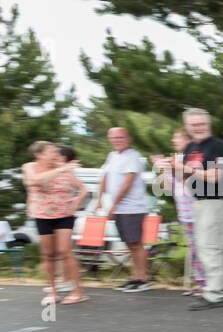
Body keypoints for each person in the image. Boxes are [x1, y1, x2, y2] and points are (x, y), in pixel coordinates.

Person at [180, 108, 223, 310]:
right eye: (194, 124)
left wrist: (187, 170)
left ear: (208, 124)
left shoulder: (217, 146)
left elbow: (216, 176)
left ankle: (215, 293)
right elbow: (184, 178)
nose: (199, 128)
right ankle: (216, 288)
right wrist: (169, 168)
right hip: (199, 201)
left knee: (209, 246)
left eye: (202, 123)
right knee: (207, 246)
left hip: (215, 200)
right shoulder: (190, 147)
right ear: (188, 126)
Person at [22, 140, 87, 305]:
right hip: (42, 215)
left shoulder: (62, 168)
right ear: (39, 154)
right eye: (51, 151)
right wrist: (61, 169)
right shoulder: (29, 167)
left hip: (64, 214)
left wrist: (77, 200)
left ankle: (78, 292)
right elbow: (35, 181)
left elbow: (83, 189)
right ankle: (53, 292)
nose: (56, 154)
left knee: (65, 251)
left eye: (56, 152)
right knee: (47, 254)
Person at [151, 128, 205, 296]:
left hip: (199, 209)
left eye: (178, 138)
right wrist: (161, 169)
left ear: (188, 140)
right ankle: (200, 282)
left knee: (203, 247)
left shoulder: (195, 157)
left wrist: (173, 166)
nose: (174, 142)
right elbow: (167, 187)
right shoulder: (176, 160)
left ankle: (209, 283)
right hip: (185, 211)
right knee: (193, 248)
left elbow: (192, 179)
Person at [98, 127, 151, 292]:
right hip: (120, 208)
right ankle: (135, 277)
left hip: (131, 207)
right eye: (113, 137)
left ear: (128, 139)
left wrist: (114, 205)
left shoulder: (133, 156)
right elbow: (105, 177)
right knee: (130, 244)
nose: (116, 140)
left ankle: (142, 279)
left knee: (136, 243)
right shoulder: (112, 156)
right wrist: (99, 199)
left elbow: (127, 183)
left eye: (120, 137)